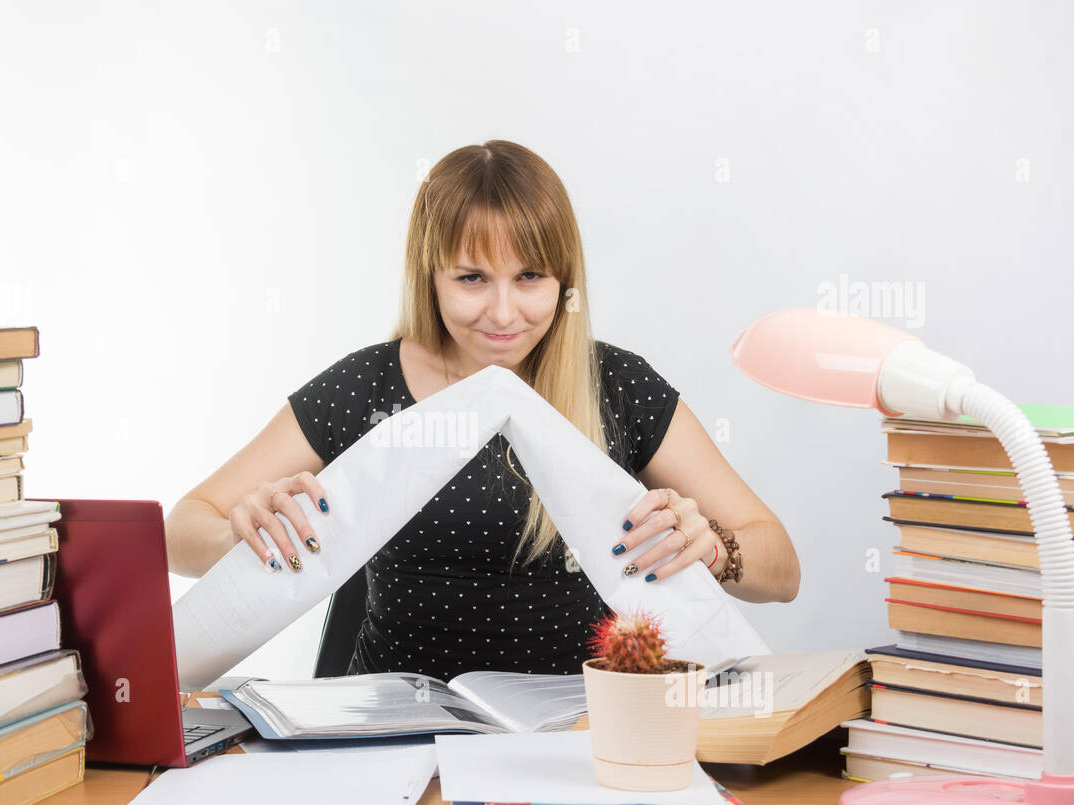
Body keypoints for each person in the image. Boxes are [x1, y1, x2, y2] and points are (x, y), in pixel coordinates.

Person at [166, 140, 800, 681]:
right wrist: (242, 535)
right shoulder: (367, 386)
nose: (503, 313)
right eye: (471, 278)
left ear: (564, 280)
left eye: (529, 278)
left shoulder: (618, 386)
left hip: (579, 736)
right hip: (389, 739)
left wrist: (716, 549)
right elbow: (179, 534)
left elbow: (781, 566)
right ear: (430, 276)